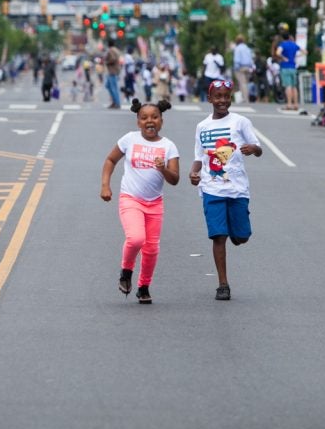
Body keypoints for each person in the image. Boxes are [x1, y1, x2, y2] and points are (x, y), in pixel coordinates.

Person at [188, 79, 264, 301]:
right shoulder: (202, 127)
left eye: (226, 96)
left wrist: (253, 149)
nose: (222, 101)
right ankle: (223, 284)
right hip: (211, 188)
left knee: (241, 237)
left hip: (237, 189)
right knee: (218, 236)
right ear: (209, 99)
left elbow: (258, 149)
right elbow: (198, 157)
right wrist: (193, 173)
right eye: (218, 96)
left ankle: (236, 230)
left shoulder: (240, 122)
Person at [100, 99, 179, 304]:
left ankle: (144, 286)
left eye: (154, 117)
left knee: (151, 249)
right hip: (130, 198)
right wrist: (105, 185)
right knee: (136, 239)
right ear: (138, 122)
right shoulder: (129, 139)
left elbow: (175, 180)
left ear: (161, 121)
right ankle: (126, 271)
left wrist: (163, 169)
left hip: (155, 203)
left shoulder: (168, 146)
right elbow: (110, 160)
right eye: (144, 118)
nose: (149, 121)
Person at [275, 30, 302, 111]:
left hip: (285, 67)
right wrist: (296, 57)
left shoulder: (282, 44)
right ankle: (296, 104)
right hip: (293, 67)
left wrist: (283, 58)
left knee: (288, 86)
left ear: (283, 38)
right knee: (294, 86)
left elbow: (278, 52)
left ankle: (289, 104)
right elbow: (305, 51)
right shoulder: (294, 45)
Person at [232, 35, 255, 102]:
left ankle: (245, 99)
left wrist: (236, 68)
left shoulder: (238, 48)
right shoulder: (247, 48)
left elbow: (237, 59)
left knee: (242, 83)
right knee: (246, 83)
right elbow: (251, 59)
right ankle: (245, 97)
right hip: (248, 67)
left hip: (240, 67)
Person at [104, 39, 122, 109]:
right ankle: (114, 102)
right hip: (114, 70)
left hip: (112, 71)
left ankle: (116, 103)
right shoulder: (116, 49)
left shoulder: (111, 50)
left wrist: (107, 62)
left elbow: (113, 59)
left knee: (113, 88)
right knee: (108, 85)